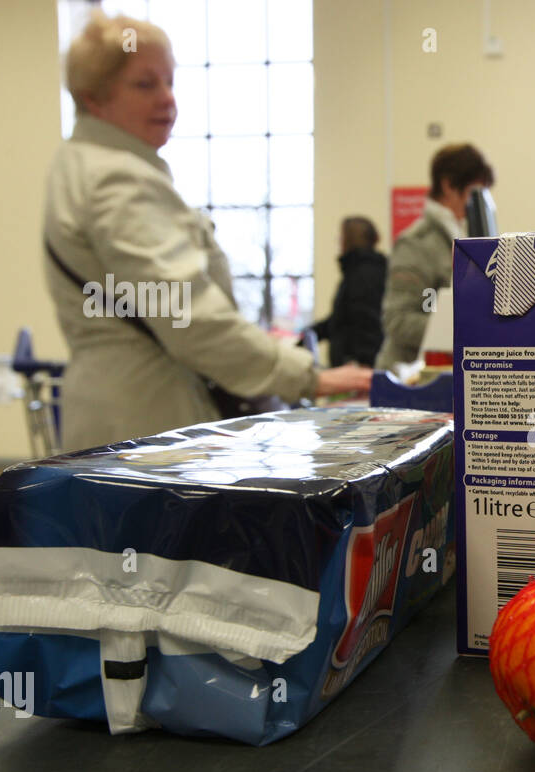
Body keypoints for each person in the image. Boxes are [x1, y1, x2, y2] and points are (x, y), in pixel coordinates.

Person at [44, 12, 372, 452]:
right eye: (145, 84)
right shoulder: (116, 179)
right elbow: (188, 314)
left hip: (121, 419)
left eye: (170, 82)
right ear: (94, 99)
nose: (168, 100)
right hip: (149, 430)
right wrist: (307, 376)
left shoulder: (81, 166)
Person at [373, 143, 494, 371]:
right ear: (448, 185)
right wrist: (464, 329)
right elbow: (397, 321)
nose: (476, 204)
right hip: (409, 379)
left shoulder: (467, 236)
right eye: (473, 192)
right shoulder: (417, 243)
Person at [312, 217, 387, 367]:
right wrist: (309, 334)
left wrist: (361, 361)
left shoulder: (362, 274)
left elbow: (367, 322)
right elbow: (340, 320)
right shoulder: (361, 270)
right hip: (355, 364)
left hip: (356, 366)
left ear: (348, 239)